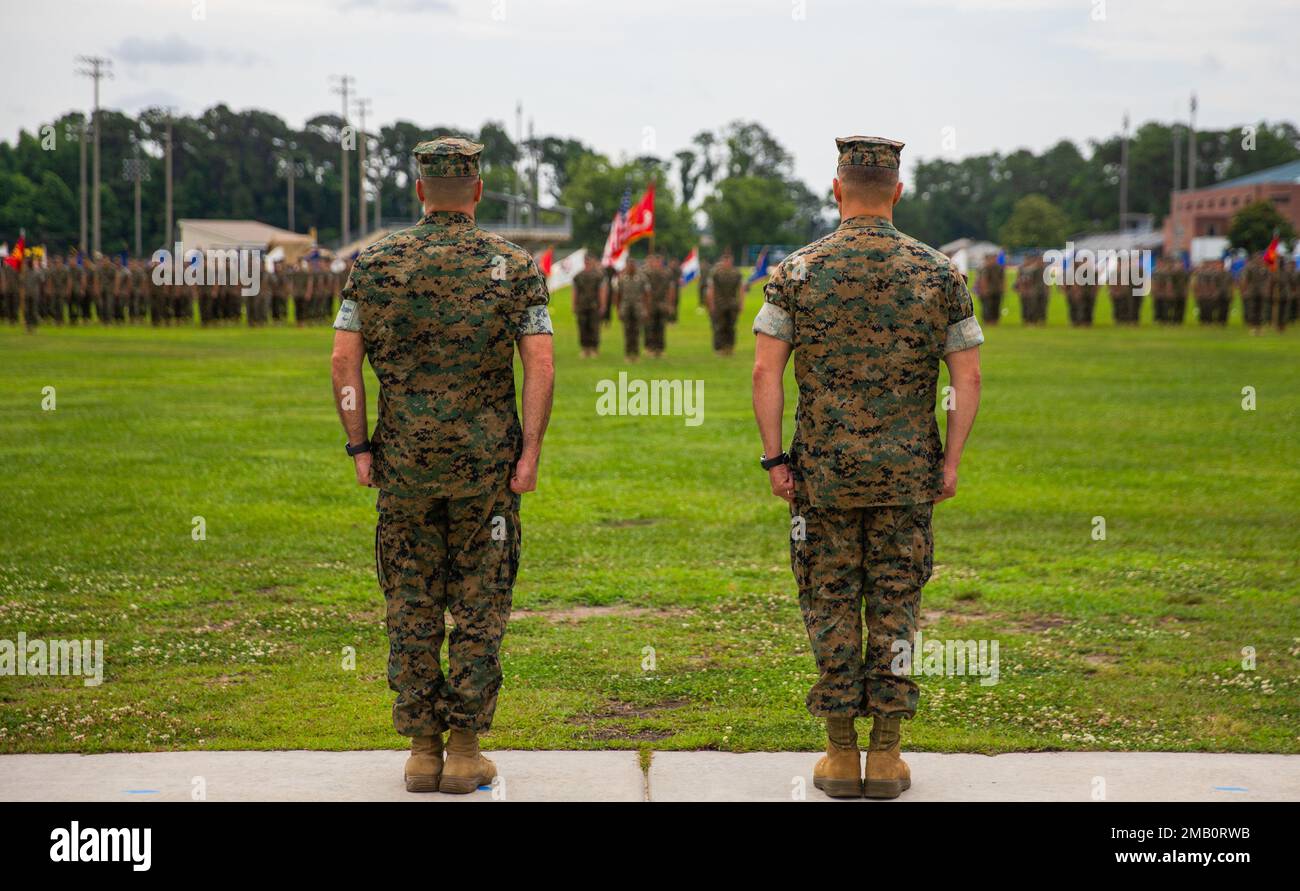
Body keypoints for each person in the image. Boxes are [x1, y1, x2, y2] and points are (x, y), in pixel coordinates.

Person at [751, 135, 983, 800]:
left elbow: (767, 370)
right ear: (897, 193)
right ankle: (885, 756)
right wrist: (952, 458)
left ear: (836, 189)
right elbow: (967, 380)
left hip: (822, 475)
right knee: (895, 607)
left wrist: (774, 458)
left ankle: (838, 753)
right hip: (908, 473)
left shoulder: (797, 271)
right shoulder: (941, 274)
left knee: (828, 603)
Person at [330, 136, 555, 795]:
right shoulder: (511, 265)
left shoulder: (374, 262)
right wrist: (531, 449)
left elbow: (344, 362)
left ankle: (421, 751)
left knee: (411, 601)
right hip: (486, 468)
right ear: (477, 192)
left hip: (402, 464)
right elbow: (538, 363)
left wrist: (359, 445)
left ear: (420, 190)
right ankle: (464, 751)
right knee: (480, 604)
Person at [707, 251, 744, 356]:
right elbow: (711, 289)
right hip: (719, 304)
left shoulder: (737, 273)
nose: (727, 262)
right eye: (725, 260)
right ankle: (719, 348)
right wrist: (711, 304)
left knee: (731, 327)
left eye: (729, 260)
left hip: (732, 304)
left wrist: (741, 303)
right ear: (722, 261)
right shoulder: (716, 273)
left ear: (731, 261)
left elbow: (741, 289)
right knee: (719, 326)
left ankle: (729, 347)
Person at [571, 252, 607, 357]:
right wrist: (574, 304)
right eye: (586, 261)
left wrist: (603, 305)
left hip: (594, 305)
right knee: (582, 327)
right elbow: (575, 291)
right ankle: (585, 348)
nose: (587, 262)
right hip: (582, 305)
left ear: (592, 261)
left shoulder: (598, 275)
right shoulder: (578, 276)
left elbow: (602, 290)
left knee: (594, 327)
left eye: (589, 260)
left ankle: (594, 348)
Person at [615, 258, 648, 363]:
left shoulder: (642, 278)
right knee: (627, 332)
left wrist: (646, 308)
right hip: (626, 308)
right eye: (629, 264)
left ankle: (636, 354)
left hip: (638, 308)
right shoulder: (621, 279)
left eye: (632, 264)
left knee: (637, 332)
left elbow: (646, 294)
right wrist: (618, 309)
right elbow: (618, 295)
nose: (631, 266)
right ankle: (628, 354)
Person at [974, 252, 1004, 326]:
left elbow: (1002, 279)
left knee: (996, 306)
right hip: (986, 291)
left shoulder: (999, 268)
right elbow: (980, 280)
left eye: (994, 258)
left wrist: (1003, 288)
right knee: (987, 307)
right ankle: (987, 321)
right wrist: (982, 290)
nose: (993, 260)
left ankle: (995, 321)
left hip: (996, 290)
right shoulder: (982, 268)